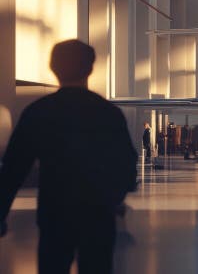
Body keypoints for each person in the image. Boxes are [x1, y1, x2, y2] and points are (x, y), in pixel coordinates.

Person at [0, 39, 138, 273]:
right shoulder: (108, 113)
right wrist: (115, 197)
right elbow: (126, 163)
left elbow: (14, 168)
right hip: (98, 215)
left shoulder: (38, 112)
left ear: (53, 68)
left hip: (55, 214)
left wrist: (1, 212)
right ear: (91, 69)